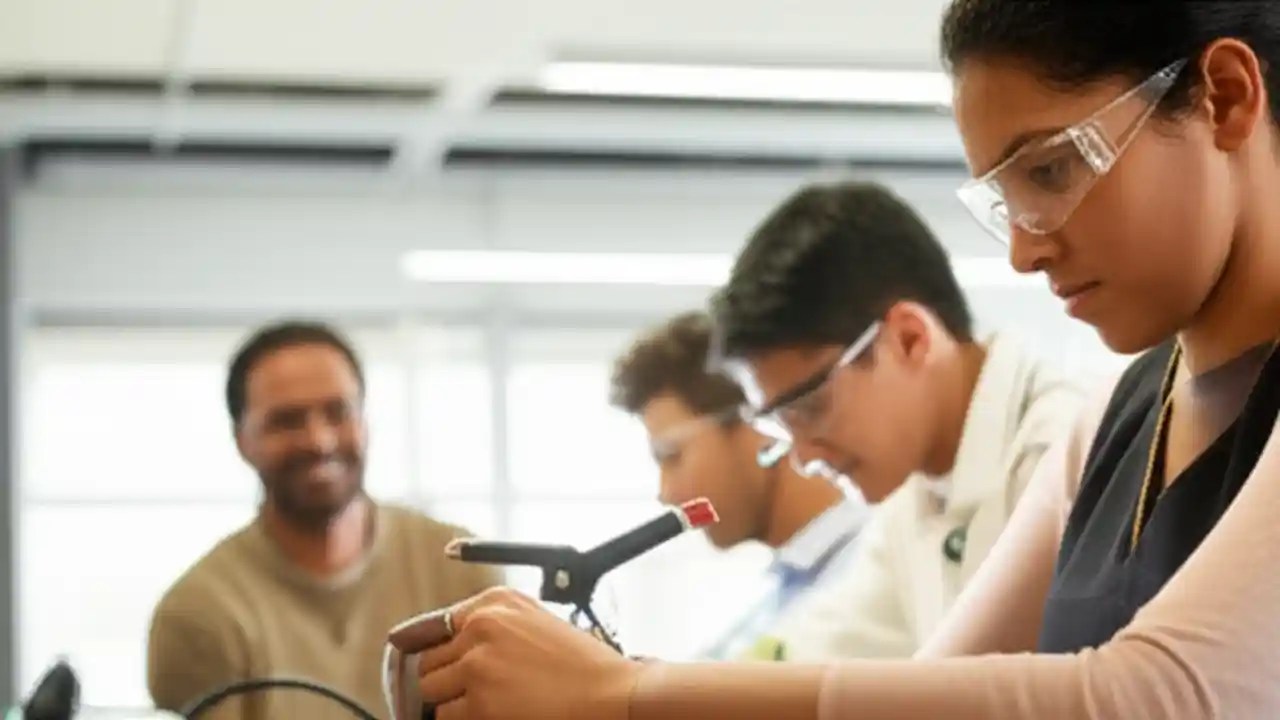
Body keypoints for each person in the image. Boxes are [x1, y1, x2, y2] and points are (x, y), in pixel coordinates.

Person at [399, 2, 1280, 718]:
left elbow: (1162, 696)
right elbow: (938, 681)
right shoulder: (1118, 420)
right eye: (1004, 202)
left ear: (1227, 98)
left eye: (1050, 172)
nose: (1024, 251)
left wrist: (624, 692)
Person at [708, 180, 1082, 660]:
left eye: (809, 408)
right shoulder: (915, 495)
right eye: (782, 426)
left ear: (909, 338)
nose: (802, 458)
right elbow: (813, 653)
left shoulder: (1063, 451)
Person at [146, 321, 502, 719]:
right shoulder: (199, 613)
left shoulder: (460, 567)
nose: (319, 440)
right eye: (287, 420)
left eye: (338, 412)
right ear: (242, 441)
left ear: (364, 421)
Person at [610, 310, 865, 660]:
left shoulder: (867, 572)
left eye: (673, 456)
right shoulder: (779, 601)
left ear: (760, 421)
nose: (665, 492)